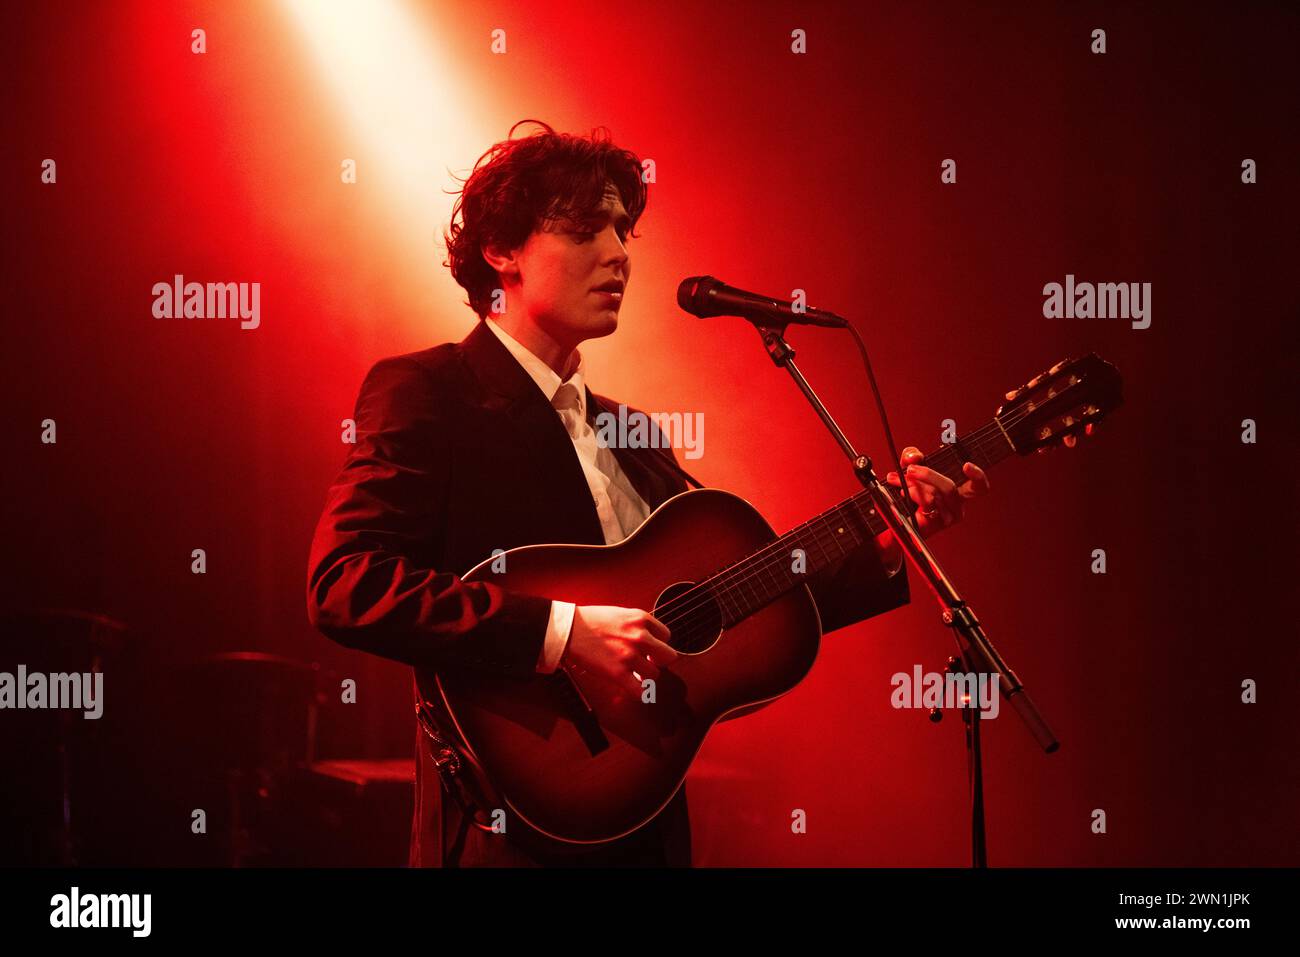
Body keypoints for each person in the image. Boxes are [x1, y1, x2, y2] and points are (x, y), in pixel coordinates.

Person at [305, 120, 990, 867]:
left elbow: (743, 609)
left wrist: (887, 540)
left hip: (646, 825)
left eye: (624, 231)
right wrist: (563, 633)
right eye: (584, 230)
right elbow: (346, 582)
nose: (619, 253)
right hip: (504, 831)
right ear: (501, 253)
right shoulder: (429, 392)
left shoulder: (630, 431)